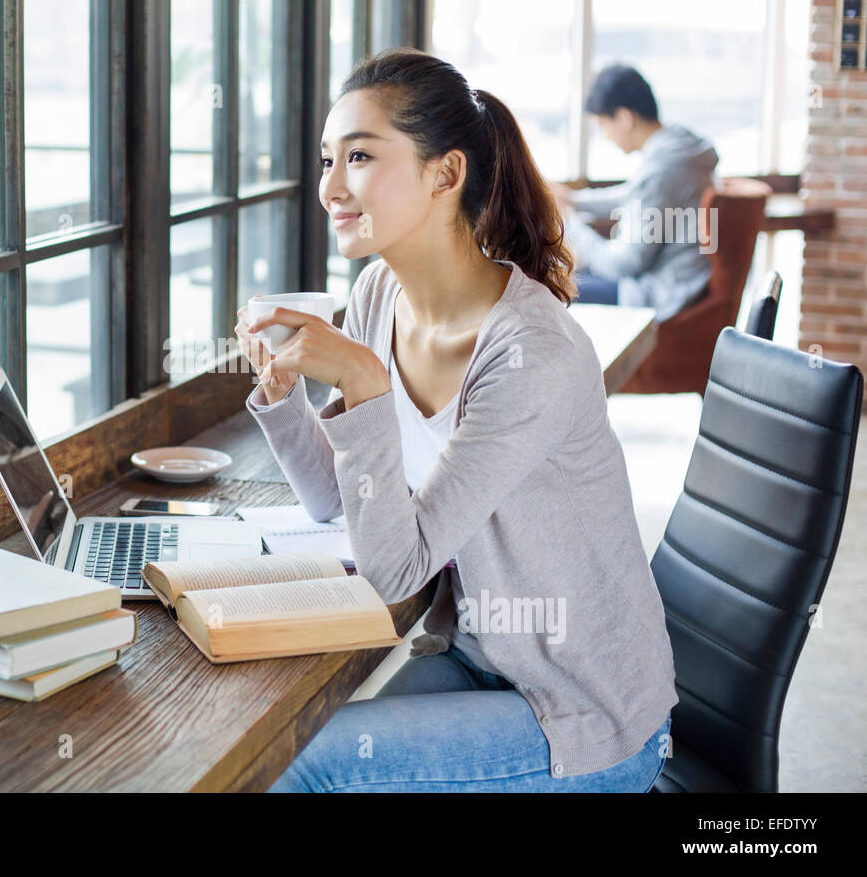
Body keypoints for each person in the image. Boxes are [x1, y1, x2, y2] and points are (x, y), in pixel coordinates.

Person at [232, 47, 676, 792]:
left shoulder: (532, 354)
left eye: (361, 157)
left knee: (305, 769)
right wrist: (284, 396)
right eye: (325, 161)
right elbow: (338, 504)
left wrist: (366, 386)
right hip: (480, 659)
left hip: (578, 712)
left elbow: (395, 572)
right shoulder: (378, 295)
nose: (331, 187)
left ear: (446, 173)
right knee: (276, 748)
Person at [551, 64, 719, 321]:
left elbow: (625, 265)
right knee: (561, 274)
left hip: (661, 294)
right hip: (681, 281)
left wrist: (569, 224)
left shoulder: (663, 170)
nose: (605, 136)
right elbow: (633, 194)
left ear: (625, 118)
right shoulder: (679, 150)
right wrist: (574, 201)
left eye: (603, 125)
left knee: (550, 285)